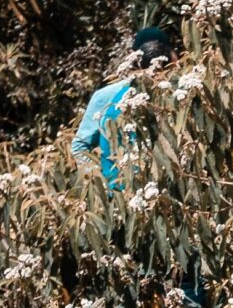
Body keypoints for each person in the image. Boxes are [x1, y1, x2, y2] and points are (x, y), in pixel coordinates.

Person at [72, 26, 176, 190]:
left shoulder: (170, 94)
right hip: (126, 187)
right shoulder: (111, 96)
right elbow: (80, 146)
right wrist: (103, 184)